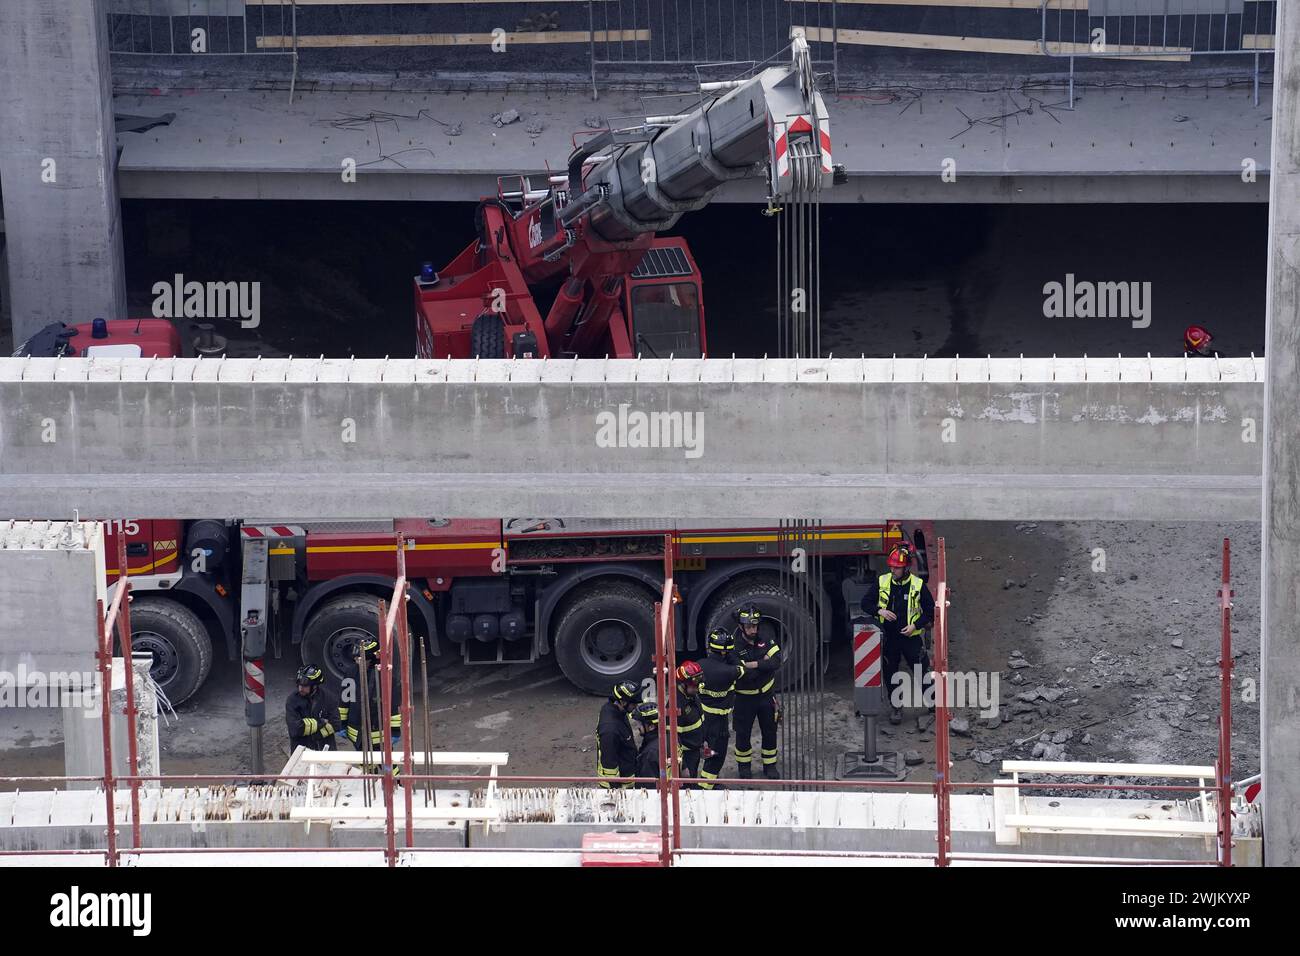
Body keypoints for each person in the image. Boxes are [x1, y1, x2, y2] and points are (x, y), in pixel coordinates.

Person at [862, 545, 936, 724]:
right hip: (889, 637)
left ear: (906, 568)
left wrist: (915, 625)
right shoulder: (882, 581)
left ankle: (934, 704)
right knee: (890, 674)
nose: (892, 569)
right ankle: (896, 708)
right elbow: (866, 603)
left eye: (896, 567)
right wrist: (880, 611)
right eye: (891, 566)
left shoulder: (918, 585)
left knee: (921, 670)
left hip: (911, 637)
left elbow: (930, 611)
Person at [731, 604, 782, 779]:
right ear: (741, 626)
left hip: (767, 697)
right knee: (743, 734)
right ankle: (744, 767)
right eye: (749, 626)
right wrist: (763, 662)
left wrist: (753, 664)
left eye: (755, 626)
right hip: (744, 699)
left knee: (770, 732)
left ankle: (770, 766)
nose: (753, 630)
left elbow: (777, 661)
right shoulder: (733, 645)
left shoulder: (765, 637)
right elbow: (744, 675)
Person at [340, 639, 403, 771]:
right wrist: (342, 724)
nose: (358, 662)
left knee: (389, 766)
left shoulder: (384, 676)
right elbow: (345, 701)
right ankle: (371, 783)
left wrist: (395, 730)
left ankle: (396, 785)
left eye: (361, 659)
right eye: (356, 659)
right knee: (366, 764)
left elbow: (393, 706)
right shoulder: (351, 673)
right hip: (357, 732)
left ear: (372, 659)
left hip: (378, 732)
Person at [697, 628, 748, 789]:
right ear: (725, 652)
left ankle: (703, 780)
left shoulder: (699, 665)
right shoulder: (729, 671)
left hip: (701, 716)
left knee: (702, 750)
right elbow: (741, 668)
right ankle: (707, 786)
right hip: (719, 722)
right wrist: (731, 654)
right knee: (717, 755)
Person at [597, 680, 641, 789]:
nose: (636, 706)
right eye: (634, 703)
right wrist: (615, 790)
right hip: (619, 787)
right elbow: (609, 765)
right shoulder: (610, 730)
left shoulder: (616, 710)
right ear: (623, 702)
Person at [285, 665, 335, 752]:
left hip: (325, 750)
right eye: (299, 685)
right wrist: (321, 722)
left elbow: (335, 723)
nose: (300, 688)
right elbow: (295, 729)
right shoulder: (292, 700)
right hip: (302, 751)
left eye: (305, 686)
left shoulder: (328, 697)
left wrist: (314, 734)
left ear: (314, 686)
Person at [675, 661, 706, 787]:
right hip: (686, 757)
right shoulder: (676, 706)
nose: (697, 689)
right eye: (694, 686)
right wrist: (683, 767)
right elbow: (673, 741)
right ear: (683, 685)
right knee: (687, 790)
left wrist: (703, 742)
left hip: (694, 751)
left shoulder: (691, 696)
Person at [631, 701, 661, 787]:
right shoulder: (672, 738)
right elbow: (685, 773)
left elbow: (648, 787)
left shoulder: (650, 752)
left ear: (651, 727)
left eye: (640, 724)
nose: (638, 727)